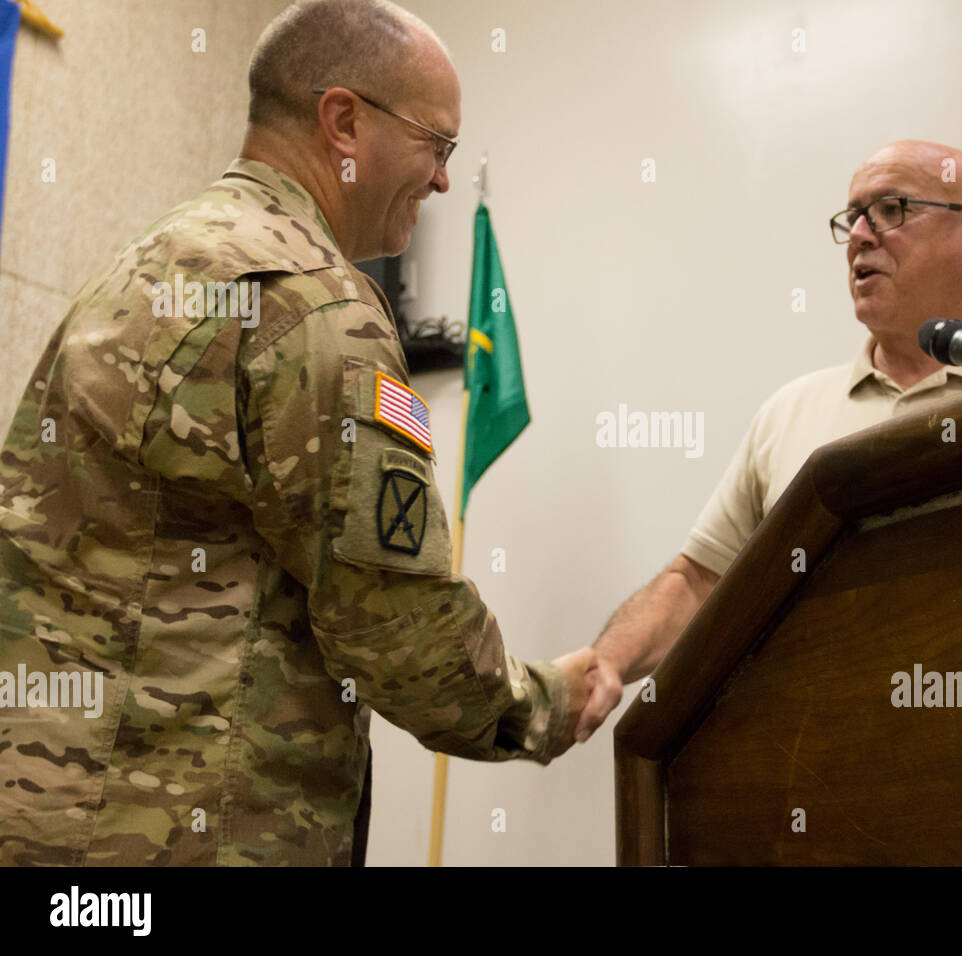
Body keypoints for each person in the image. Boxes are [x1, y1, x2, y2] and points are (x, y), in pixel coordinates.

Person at [0, 0, 592, 867]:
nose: (442, 182)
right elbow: (397, 628)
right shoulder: (314, 299)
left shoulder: (139, 269)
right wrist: (545, 704)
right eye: (438, 145)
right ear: (343, 120)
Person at [578, 140, 962, 741]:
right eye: (853, 216)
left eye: (891, 209)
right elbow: (700, 582)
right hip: (809, 770)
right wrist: (610, 658)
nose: (860, 234)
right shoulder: (790, 412)